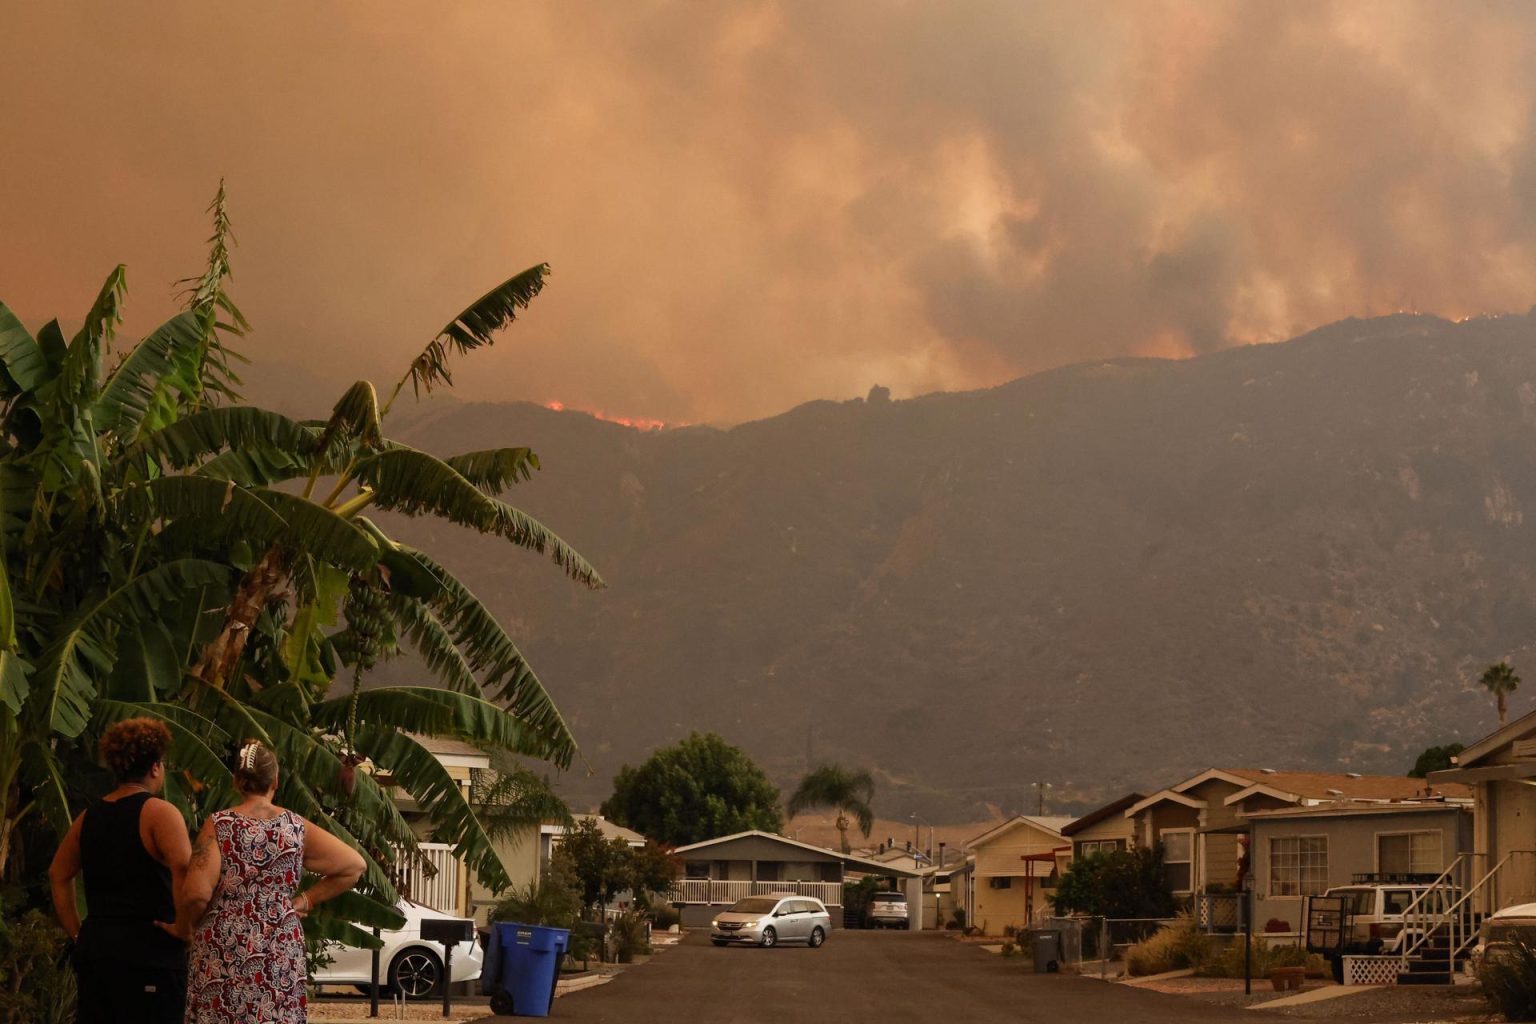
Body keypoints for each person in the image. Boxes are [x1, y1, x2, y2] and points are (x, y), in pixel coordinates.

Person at [166, 739, 364, 1024]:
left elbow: (196, 894)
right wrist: (305, 900)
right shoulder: (295, 827)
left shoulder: (219, 825)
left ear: (237, 781)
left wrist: (187, 929)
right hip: (279, 945)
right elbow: (354, 866)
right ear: (276, 780)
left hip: (223, 946)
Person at [49, 717, 194, 1024]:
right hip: (150, 954)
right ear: (155, 767)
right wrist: (184, 926)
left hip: (98, 953)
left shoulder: (88, 817)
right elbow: (184, 870)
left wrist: (78, 932)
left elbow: (58, 875)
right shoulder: (160, 813)